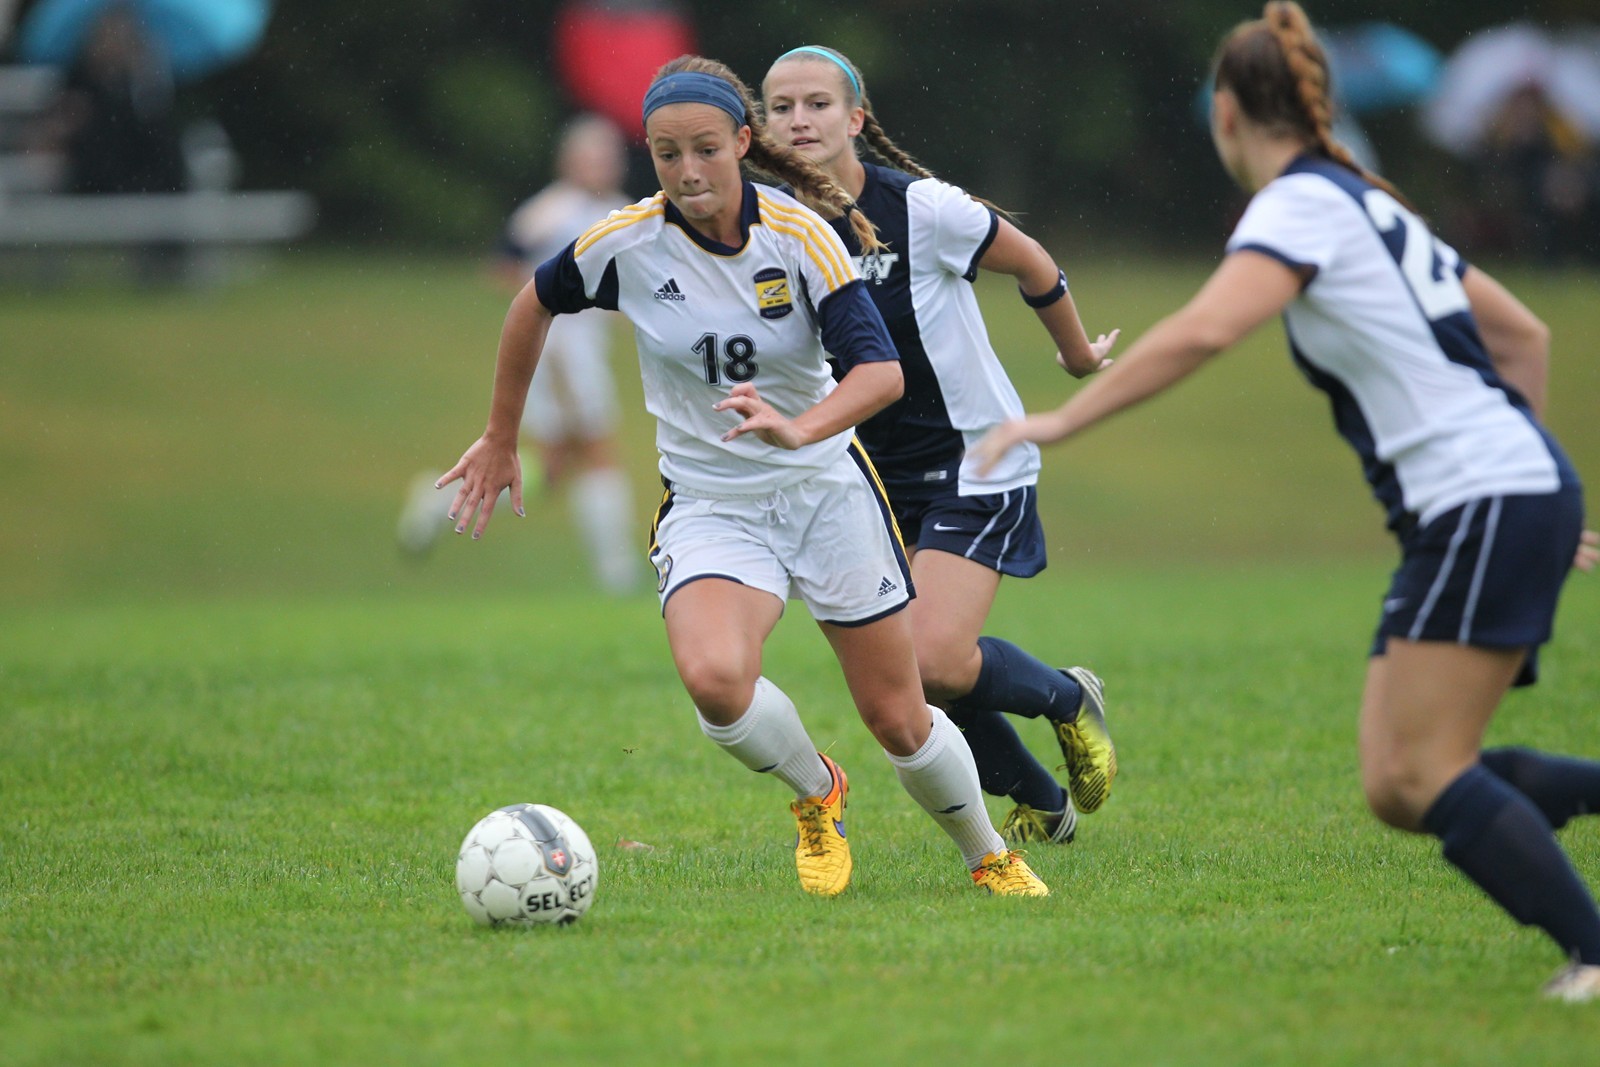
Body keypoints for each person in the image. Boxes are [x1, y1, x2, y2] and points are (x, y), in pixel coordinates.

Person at [975, 1, 1600, 999]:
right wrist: (1530, 483)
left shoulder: (1301, 206)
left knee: (1424, 771)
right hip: (1493, 500)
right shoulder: (1370, 201)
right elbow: (1525, 334)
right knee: (1401, 781)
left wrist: (1059, 419)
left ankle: (1592, 949)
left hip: (1485, 501)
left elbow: (1204, 330)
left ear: (1225, 114)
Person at [438, 55, 1047, 897]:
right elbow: (532, 302)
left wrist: (798, 426)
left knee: (899, 717)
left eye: (706, 150)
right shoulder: (626, 242)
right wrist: (502, 435)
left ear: (743, 142)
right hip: (713, 503)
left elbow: (880, 375)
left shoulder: (799, 234)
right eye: (665, 153)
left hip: (826, 491)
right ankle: (816, 792)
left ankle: (988, 852)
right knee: (717, 683)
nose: (687, 172)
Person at [760, 45, 1120, 847]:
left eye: (817, 104)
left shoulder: (921, 208)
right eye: (780, 107)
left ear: (855, 119)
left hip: (973, 459)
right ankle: (1043, 803)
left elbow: (1031, 261)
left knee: (932, 656)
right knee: (908, 677)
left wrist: (1076, 355)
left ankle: (1066, 697)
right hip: (866, 476)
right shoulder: (766, 226)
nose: (798, 120)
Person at [398, 115, 646, 596]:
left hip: (586, 350)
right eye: (590, 156)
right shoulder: (549, 212)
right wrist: (550, 305)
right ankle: (617, 573)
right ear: (568, 162)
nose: (601, 165)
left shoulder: (621, 210)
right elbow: (500, 267)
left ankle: (438, 499)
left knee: (553, 468)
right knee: (599, 450)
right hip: (558, 352)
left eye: (608, 156)